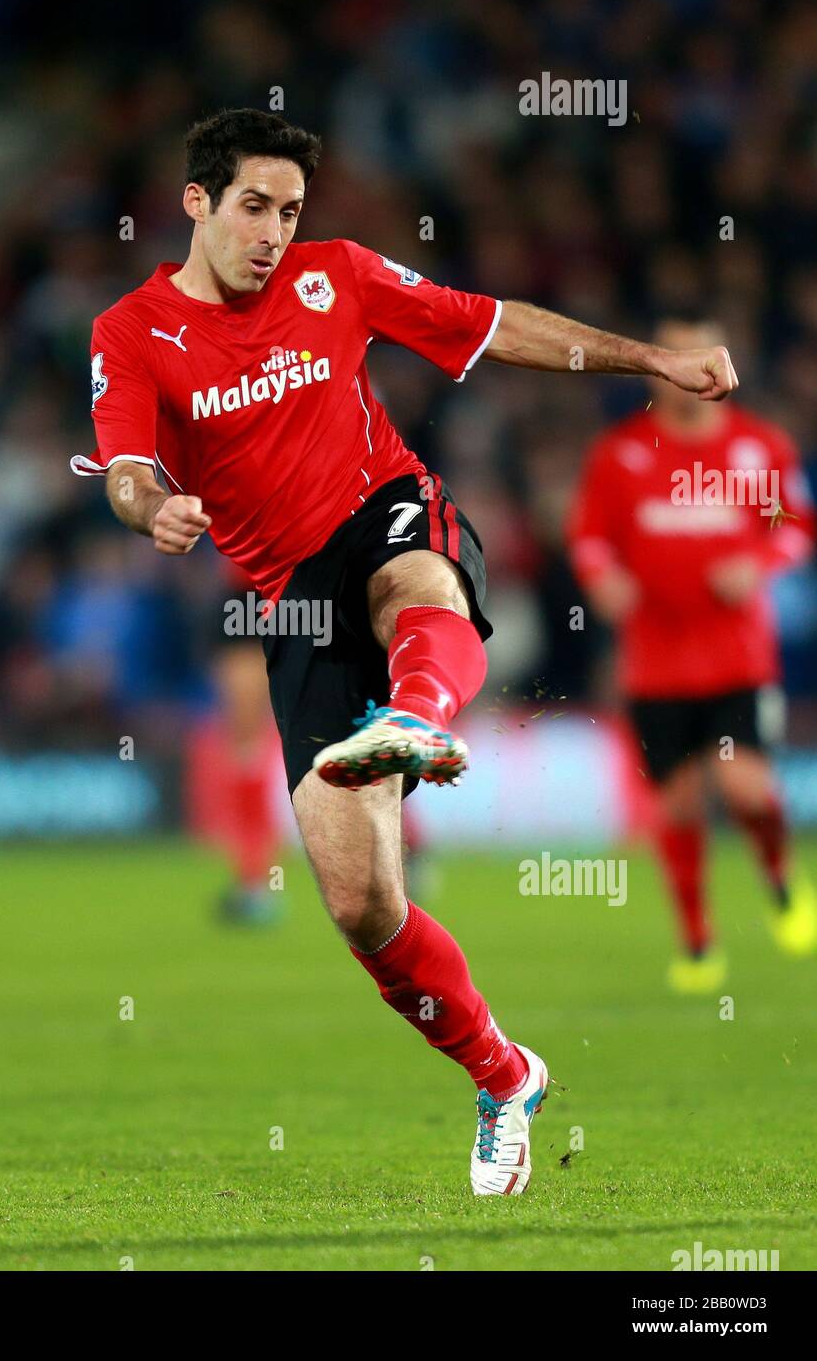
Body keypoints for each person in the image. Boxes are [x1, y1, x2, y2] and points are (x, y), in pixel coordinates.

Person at [72, 108, 738, 1195]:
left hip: (388, 510)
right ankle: (503, 1072)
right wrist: (151, 508)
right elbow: (124, 466)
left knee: (412, 584)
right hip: (289, 602)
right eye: (253, 206)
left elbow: (496, 326)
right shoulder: (131, 331)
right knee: (359, 904)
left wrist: (647, 359)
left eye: (289, 210)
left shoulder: (337, 277)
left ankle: (420, 711)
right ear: (196, 202)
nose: (274, 231)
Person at [568, 317, 815, 992]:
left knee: (743, 787)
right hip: (655, 666)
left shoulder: (758, 450)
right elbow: (589, 538)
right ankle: (699, 939)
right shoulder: (622, 455)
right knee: (676, 808)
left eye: (704, 353)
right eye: (677, 355)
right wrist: (603, 579)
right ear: (658, 370)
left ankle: (779, 875)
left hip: (736, 661)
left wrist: (757, 562)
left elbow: (795, 529)